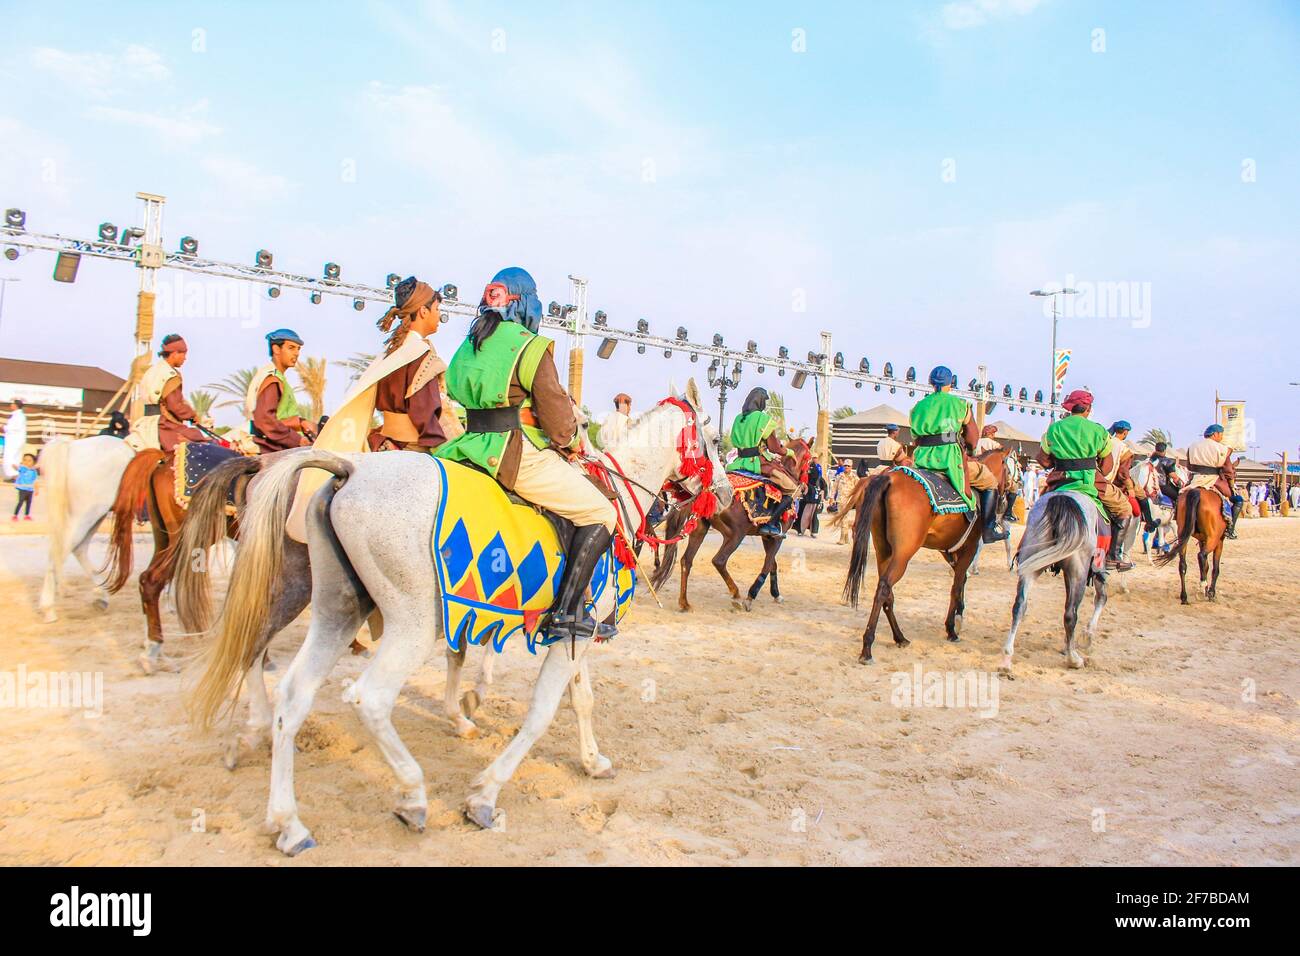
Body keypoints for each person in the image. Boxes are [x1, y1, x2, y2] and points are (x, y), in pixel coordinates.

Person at [434, 267, 617, 642]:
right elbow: (559, 421)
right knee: (603, 511)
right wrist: (569, 441)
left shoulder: (470, 343)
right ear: (525, 303)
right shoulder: (530, 346)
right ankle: (567, 612)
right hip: (513, 453)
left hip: (467, 445)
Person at [910, 366, 1005, 543]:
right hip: (950, 459)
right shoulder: (961, 405)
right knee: (990, 481)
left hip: (921, 460)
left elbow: (915, 438)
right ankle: (989, 529)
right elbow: (972, 440)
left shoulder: (918, 407)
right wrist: (968, 451)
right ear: (950, 382)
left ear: (931, 383)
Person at [1035, 389, 1122, 565]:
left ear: (1070, 408)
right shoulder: (1098, 431)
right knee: (1123, 509)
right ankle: (1106, 559)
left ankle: (1024, 552)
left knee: (1037, 512)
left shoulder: (1054, 428)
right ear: (1088, 409)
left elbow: (1043, 461)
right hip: (1088, 484)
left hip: (1059, 483)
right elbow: (1106, 468)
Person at [129, 335, 211, 453]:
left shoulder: (152, 370)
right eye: (183, 354)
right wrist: (192, 416)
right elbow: (175, 405)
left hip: (146, 422)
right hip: (164, 425)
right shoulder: (169, 374)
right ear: (175, 353)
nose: (185, 358)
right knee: (200, 446)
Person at [246, 329, 316, 454]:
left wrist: (301, 422)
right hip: (271, 449)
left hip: (277, 446)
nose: (296, 353)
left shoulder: (277, 376)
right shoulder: (272, 378)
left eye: (298, 349)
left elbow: (281, 417)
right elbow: (265, 420)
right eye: (291, 348)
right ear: (276, 349)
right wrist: (298, 440)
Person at [1185, 424, 1241, 538]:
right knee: (1238, 500)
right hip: (1213, 480)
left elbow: (1189, 466)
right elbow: (1229, 470)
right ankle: (1230, 529)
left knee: (1180, 497)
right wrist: (1231, 485)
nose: (1221, 437)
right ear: (1215, 434)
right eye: (1221, 435)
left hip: (1195, 480)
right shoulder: (1222, 448)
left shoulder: (1192, 446)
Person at [3, 398, 29, 479]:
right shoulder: (17, 415)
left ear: (16, 405)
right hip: (14, 440)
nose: (11, 405)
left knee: (11, 457)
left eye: (12, 404)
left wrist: (4, 427)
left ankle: (14, 475)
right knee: (14, 457)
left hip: (15, 441)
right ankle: (14, 475)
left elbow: (15, 427)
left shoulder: (20, 416)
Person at [12, 452, 37, 520]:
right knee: (20, 502)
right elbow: (17, 468)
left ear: (33, 462)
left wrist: (36, 489)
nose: (26, 462)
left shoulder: (34, 471)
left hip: (30, 489)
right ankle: (15, 515)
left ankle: (27, 515)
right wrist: (14, 465)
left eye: (29, 461)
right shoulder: (23, 468)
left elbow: (34, 480)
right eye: (24, 460)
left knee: (29, 503)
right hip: (22, 488)